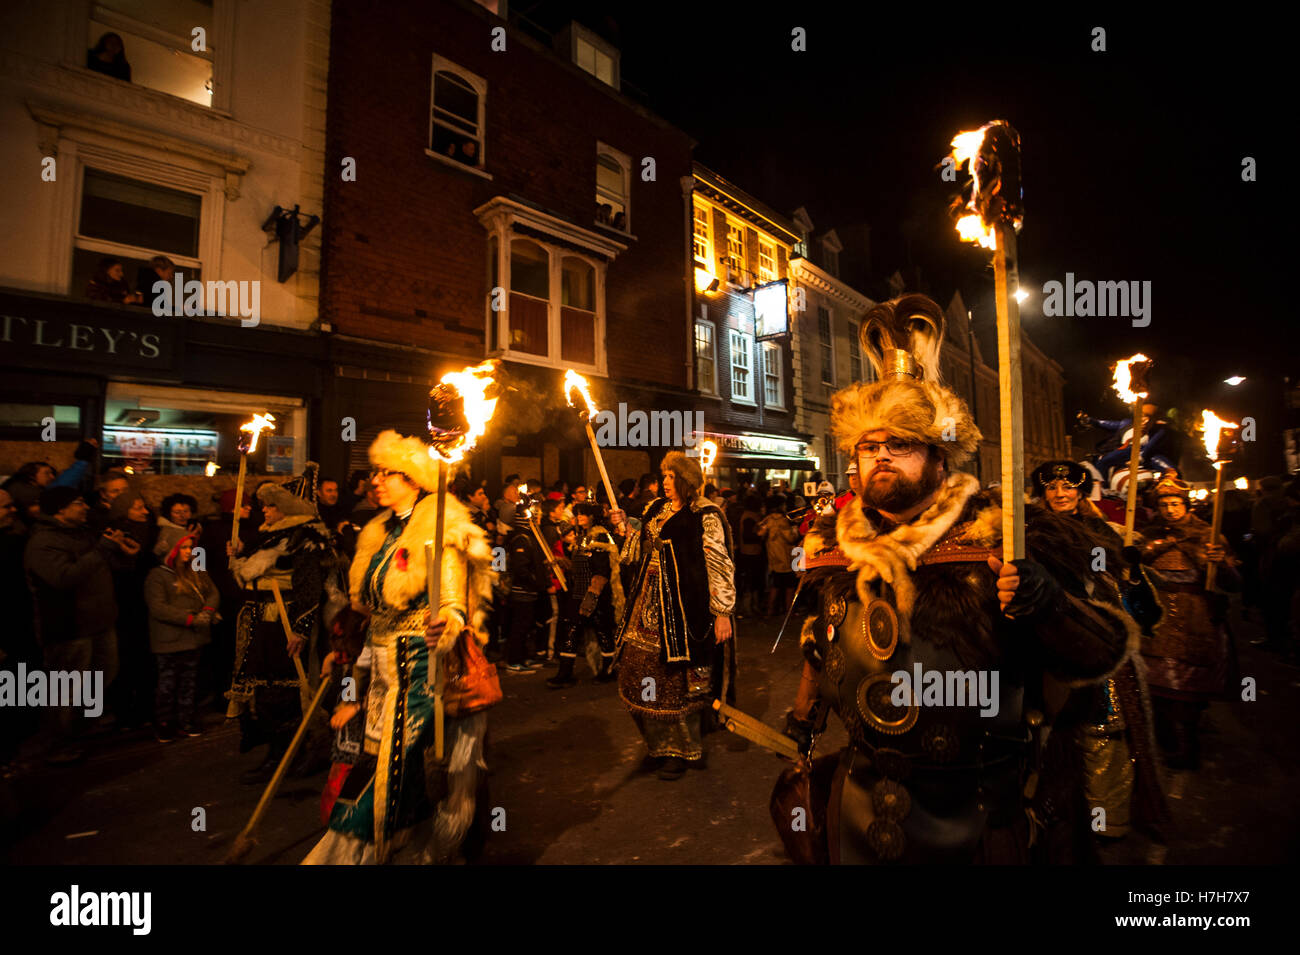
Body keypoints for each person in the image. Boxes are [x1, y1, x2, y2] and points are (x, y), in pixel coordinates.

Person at [779, 294, 1131, 864]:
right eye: (870, 446)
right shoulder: (833, 546)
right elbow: (821, 649)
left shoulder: (1011, 537)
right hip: (860, 804)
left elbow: (1101, 653)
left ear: (941, 458)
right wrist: (804, 717)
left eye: (902, 444)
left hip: (980, 810)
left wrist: (1048, 606)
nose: (881, 457)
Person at [303, 431, 497, 865]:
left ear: (414, 480)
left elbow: (453, 603)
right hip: (383, 676)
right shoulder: (377, 534)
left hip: (424, 671)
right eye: (374, 473)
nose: (377, 481)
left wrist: (445, 623)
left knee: (392, 770)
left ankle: (351, 853)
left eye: (389, 473)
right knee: (383, 767)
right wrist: (352, 693)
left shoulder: (439, 527)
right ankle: (400, 844)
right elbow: (372, 628)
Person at [1027, 460, 1168, 852]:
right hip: (1046, 646)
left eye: (1067, 487)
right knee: (1045, 736)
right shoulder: (1028, 534)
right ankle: (1052, 819)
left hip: (1098, 644)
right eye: (1051, 488)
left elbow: (1137, 608)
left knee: (1104, 732)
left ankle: (1105, 824)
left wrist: (1134, 572)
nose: (1059, 493)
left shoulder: (1105, 534)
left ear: (1080, 491)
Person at [611, 451, 735, 780]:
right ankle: (658, 745)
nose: (664, 483)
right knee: (637, 670)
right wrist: (625, 530)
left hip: (684, 608)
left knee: (677, 681)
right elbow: (641, 548)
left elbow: (718, 562)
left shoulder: (703, 514)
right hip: (647, 605)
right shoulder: (656, 509)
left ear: (685, 480)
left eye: (670, 476)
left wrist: (722, 611)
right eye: (663, 476)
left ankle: (681, 749)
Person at [225, 477, 336, 784]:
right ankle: (276, 752)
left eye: (272, 505)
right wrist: (236, 559)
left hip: (286, 621)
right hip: (264, 621)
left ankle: (292, 754)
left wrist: (300, 630)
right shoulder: (272, 537)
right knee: (265, 689)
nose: (265, 510)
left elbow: (310, 587)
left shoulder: (306, 537)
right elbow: (248, 579)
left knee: (285, 691)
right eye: (264, 505)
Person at [1138, 476, 1238, 770]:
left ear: (1186, 505)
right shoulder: (1149, 533)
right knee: (1155, 684)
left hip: (1194, 617)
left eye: (1175, 504)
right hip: (1157, 616)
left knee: (1187, 686)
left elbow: (1234, 583)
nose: (1170, 510)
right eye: (1164, 504)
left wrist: (1219, 563)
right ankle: (1164, 742)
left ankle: (1188, 747)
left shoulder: (1209, 534)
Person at [23, 487, 124, 763]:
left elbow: (102, 566)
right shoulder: (44, 542)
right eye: (78, 503)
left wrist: (121, 551)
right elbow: (62, 577)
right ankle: (57, 742)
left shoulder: (83, 533)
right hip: (70, 627)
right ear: (60, 509)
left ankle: (81, 728)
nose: (85, 508)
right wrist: (101, 550)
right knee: (65, 688)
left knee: (102, 676)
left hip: (100, 622)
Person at [145, 533, 219, 741]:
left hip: (193, 640)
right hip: (170, 642)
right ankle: (164, 722)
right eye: (184, 548)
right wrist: (189, 618)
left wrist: (207, 611)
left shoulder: (195, 570)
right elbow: (158, 607)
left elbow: (213, 592)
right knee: (168, 684)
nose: (189, 552)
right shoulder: (157, 576)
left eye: (190, 547)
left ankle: (186, 719)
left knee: (189, 682)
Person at [548, 501, 624, 687]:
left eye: (583, 514)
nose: (579, 517)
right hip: (578, 593)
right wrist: (561, 562)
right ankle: (565, 674)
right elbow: (580, 566)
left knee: (603, 632)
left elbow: (601, 570)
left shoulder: (600, 536)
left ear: (592, 516)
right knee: (571, 631)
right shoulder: (582, 538)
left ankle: (608, 670)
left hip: (595, 595)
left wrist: (592, 597)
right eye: (578, 514)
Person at [104, 487, 156, 730]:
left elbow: (197, 562)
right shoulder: (111, 539)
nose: (144, 511)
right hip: (123, 609)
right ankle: (125, 712)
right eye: (138, 507)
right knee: (124, 661)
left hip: (150, 607)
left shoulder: (154, 533)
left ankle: (146, 709)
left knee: (146, 659)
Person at [758, 495, 800, 617]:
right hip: (786, 558)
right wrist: (795, 530)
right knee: (789, 587)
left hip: (773, 557)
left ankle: (770, 610)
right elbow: (790, 538)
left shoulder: (767, 520)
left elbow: (759, 533)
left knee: (775, 585)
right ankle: (789, 611)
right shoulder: (784, 520)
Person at [2, 461, 57, 529]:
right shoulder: (29, 493)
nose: (52, 477)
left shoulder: (16, 484)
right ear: (31, 475)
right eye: (46, 473)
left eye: (52, 473)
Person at [736, 494, 765, 616]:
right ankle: (749, 607)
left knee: (753, 581)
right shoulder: (749, 517)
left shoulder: (750, 516)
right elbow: (748, 537)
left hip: (751, 552)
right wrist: (761, 534)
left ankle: (752, 606)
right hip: (750, 553)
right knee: (751, 581)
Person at [155, 493, 200, 560]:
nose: (182, 516)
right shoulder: (166, 532)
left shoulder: (195, 527)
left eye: (186, 511)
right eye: (177, 512)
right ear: (169, 514)